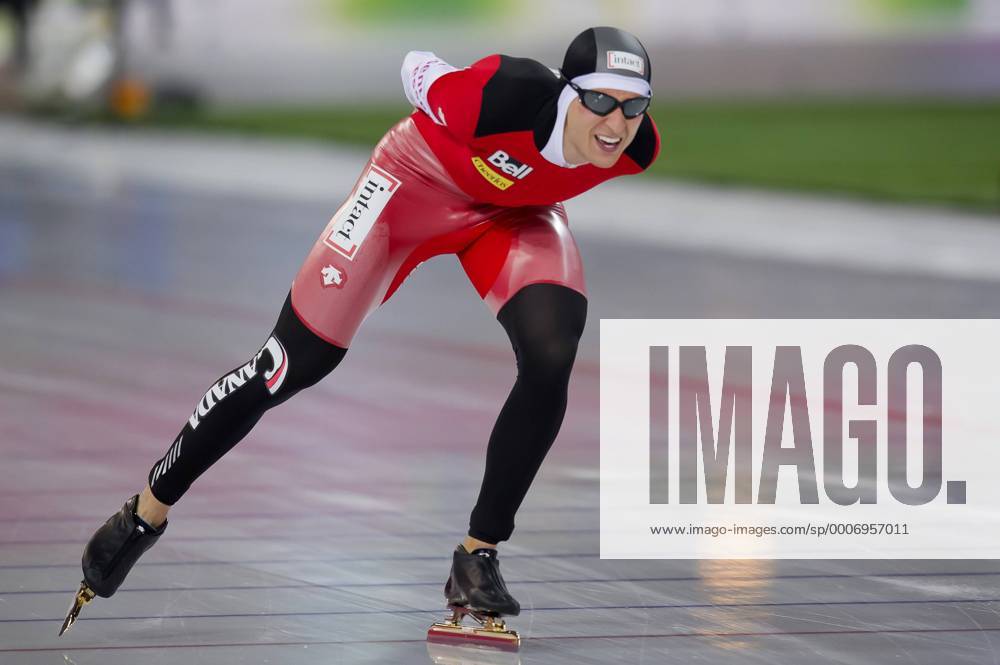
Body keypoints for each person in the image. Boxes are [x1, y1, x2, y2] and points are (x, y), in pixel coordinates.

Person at [60, 26, 660, 646]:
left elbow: (565, 162)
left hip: (513, 216)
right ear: (568, 93)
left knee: (551, 354)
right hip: (410, 186)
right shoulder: (501, 95)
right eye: (600, 102)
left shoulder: (637, 148)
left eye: (634, 105)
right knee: (289, 364)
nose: (616, 123)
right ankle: (146, 510)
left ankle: (477, 558)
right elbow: (415, 66)